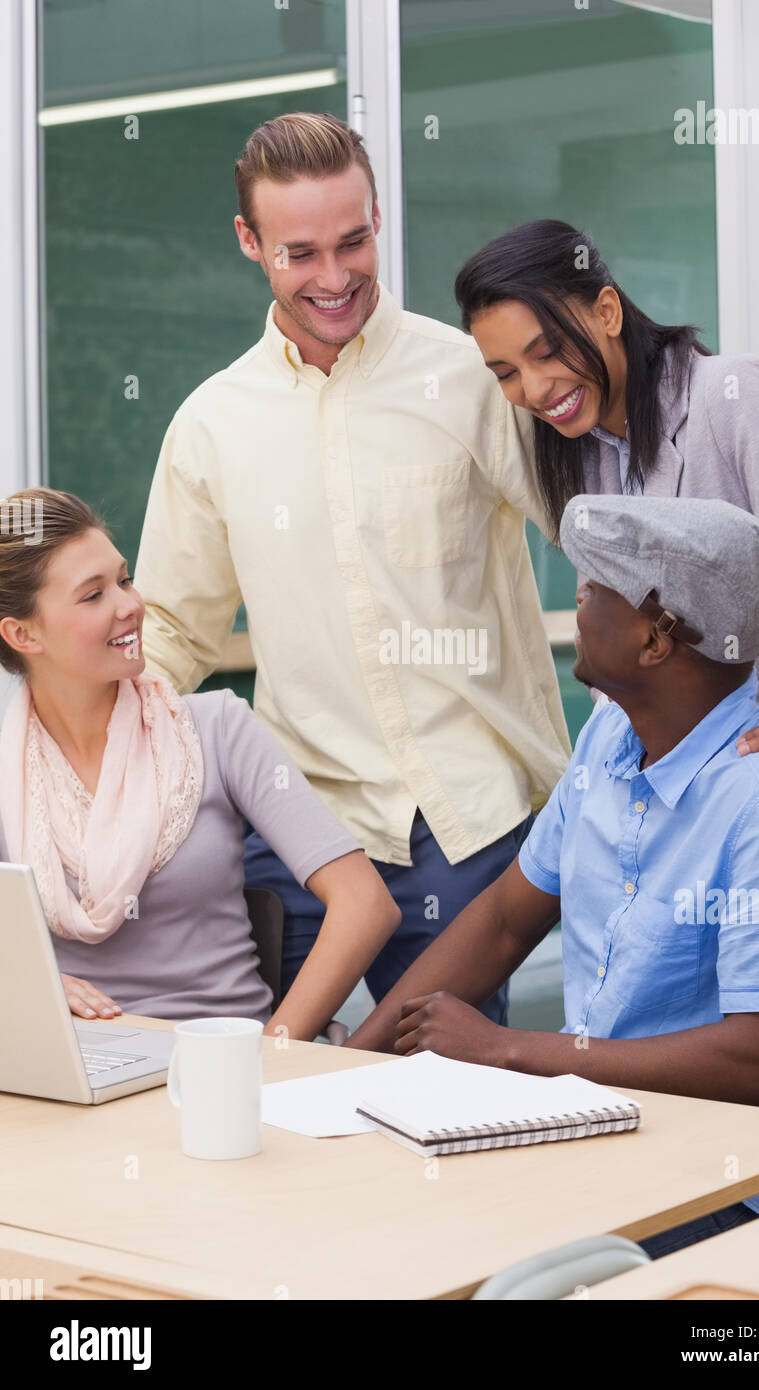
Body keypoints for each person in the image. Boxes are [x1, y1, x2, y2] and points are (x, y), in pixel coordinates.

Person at [133, 113, 572, 1023]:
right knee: (274, 1111)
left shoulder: (470, 378)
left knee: (461, 1119)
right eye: (300, 254)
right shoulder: (213, 424)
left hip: (467, 825)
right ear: (251, 243)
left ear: (379, 218)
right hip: (298, 836)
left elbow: (593, 527)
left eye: (354, 241)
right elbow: (172, 632)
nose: (333, 278)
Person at [346, 493, 759, 1258]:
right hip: (583, 1143)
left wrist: (512, 1051)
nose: (577, 598)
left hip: (708, 1190)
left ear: (654, 641)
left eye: (597, 587)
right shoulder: (613, 735)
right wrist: (348, 1067)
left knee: (437, 1249)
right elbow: (507, 918)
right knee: (364, 1209)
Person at [455, 219, 759, 960]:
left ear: (607, 312)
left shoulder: (733, 397)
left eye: (546, 351)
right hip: (703, 832)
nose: (535, 388)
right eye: (507, 372)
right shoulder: (578, 457)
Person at [0, 488, 401, 1038]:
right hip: (74, 1073)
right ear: (23, 634)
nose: (129, 606)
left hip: (223, 1061)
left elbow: (365, 904)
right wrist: (29, 983)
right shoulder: (7, 774)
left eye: (124, 579)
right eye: (93, 596)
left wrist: (271, 1053)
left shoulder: (217, 728)